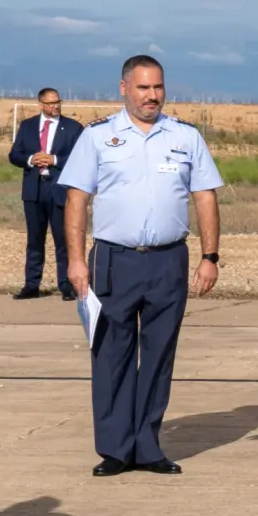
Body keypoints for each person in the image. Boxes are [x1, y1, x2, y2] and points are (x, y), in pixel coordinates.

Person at [59, 56, 224, 477]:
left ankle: (148, 446)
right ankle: (115, 449)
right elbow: (77, 199)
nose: (152, 96)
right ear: (123, 88)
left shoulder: (186, 137)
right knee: (111, 354)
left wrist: (210, 256)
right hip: (113, 259)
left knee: (158, 354)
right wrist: (76, 261)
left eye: (158, 88)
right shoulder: (98, 137)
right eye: (143, 88)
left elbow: (205, 196)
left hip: (169, 259)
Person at [8, 88, 84, 300]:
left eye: (58, 102)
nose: (55, 106)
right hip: (34, 191)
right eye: (50, 103)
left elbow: (81, 157)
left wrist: (55, 160)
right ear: (41, 104)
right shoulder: (28, 126)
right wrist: (32, 159)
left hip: (59, 190)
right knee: (34, 240)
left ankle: (67, 285)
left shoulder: (73, 128)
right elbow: (15, 155)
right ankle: (32, 285)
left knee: (63, 239)